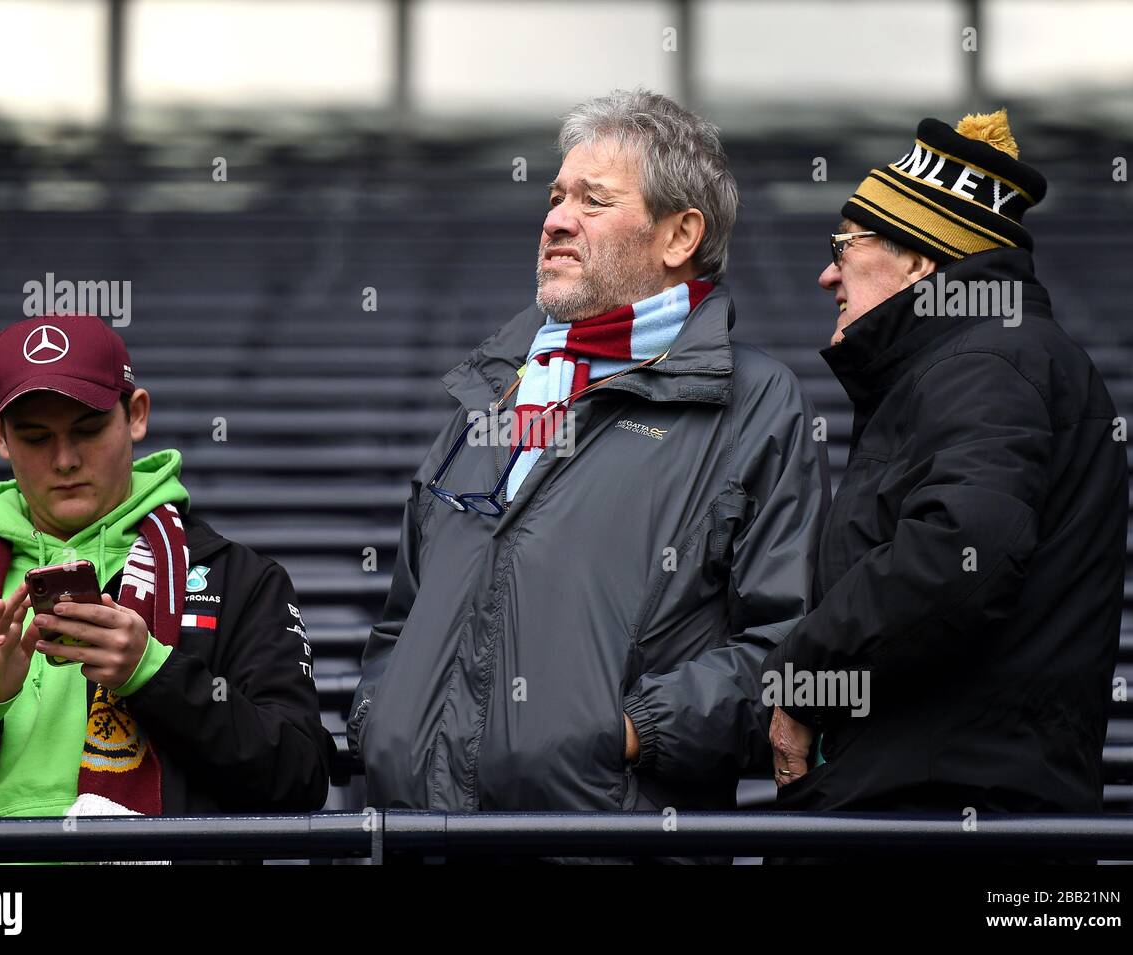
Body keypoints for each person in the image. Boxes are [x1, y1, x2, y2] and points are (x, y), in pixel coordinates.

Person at [348, 89, 829, 845]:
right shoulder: (502, 385)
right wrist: (383, 721)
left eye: (593, 200)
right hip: (420, 835)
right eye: (555, 196)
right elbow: (403, 614)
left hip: (608, 839)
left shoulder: (755, 403)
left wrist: (624, 732)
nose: (555, 218)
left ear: (680, 235)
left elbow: (784, 642)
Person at [764, 110, 1128, 822]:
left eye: (846, 242)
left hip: (938, 823)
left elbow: (958, 557)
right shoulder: (986, 358)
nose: (827, 271)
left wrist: (804, 681)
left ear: (920, 260)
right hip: (955, 808)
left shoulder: (986, 363)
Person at [0, 314, 333, 819]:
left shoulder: (242, 582)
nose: (66, 460)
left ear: (136, 415)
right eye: (35, 437)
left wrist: (153, 674)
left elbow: (301, 775)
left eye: (88, 430)